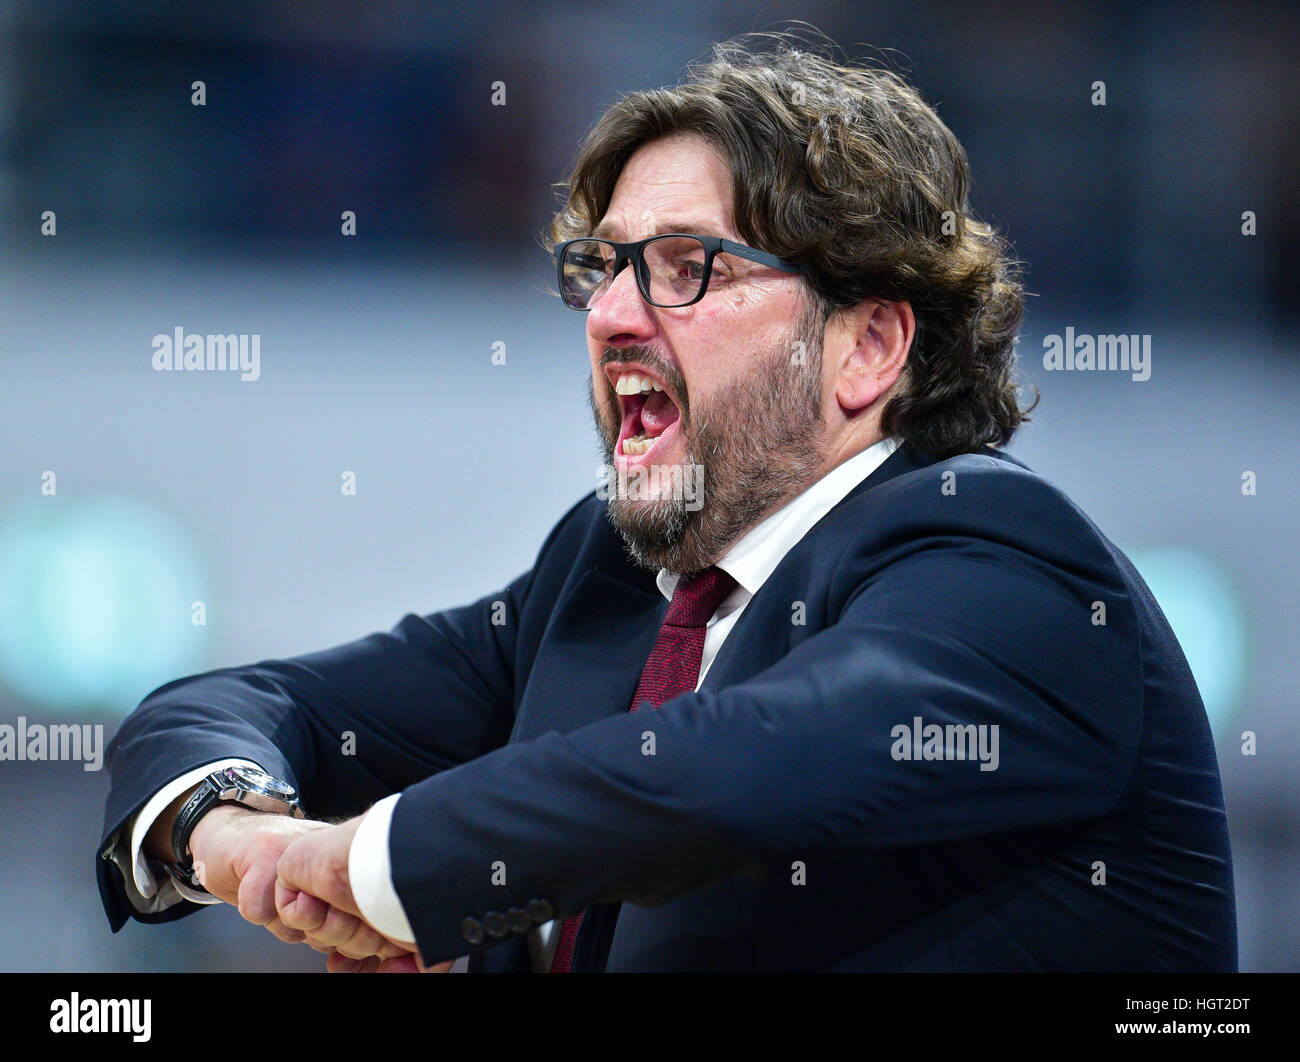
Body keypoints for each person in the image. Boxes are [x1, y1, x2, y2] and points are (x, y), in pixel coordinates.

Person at [96, 33, 1237, 972]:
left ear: (869, 344)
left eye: (689, 267)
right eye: (603, 269)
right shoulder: (605, 582)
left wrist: (372, 872)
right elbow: (243, 702)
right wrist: (232, 828)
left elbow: (738, 771)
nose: (609, 318)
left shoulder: (1007, 569)